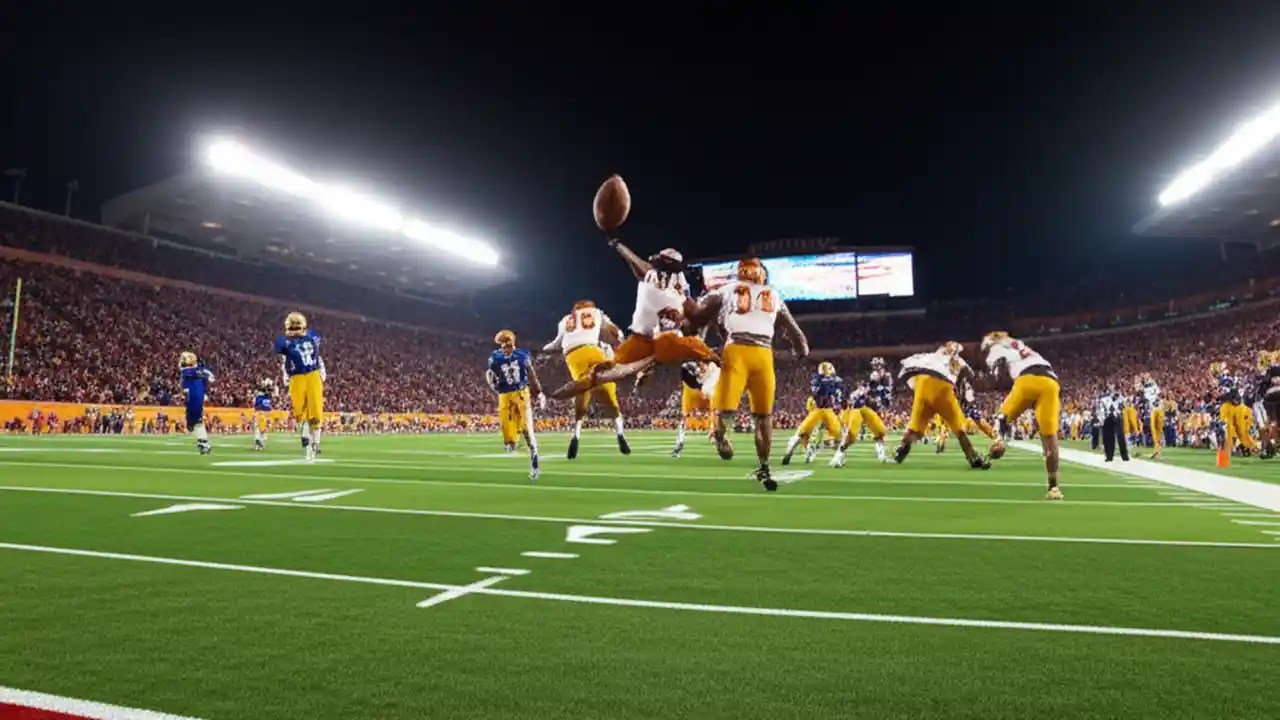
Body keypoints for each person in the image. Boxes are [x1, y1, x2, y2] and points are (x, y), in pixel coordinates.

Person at [690, 257, 809, 491]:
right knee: (732, 411)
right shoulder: (733, 291)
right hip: (742, 351)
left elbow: (793, 328)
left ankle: (762, 465)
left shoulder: (761, 294)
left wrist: (699, 341)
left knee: (761, 415)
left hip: (758, 353)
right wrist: (801, 348)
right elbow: (796, 334)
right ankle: (723, 438)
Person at [549, 241, 720, 398]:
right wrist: (619, 246)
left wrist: (695, 314)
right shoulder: (652, 275)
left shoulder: (678, 284)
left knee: (682, 345)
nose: (658, 270)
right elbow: (638, 265)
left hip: (666, 335)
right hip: (642, 336)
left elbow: (691, 309)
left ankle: (712, 364)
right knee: (613, 367)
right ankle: (585, 383)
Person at [543, 300, 629, 459]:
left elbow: (556, 342)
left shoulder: (565, 319)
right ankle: (620, 434)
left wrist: (546, 348)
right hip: (594, 350)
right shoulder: (597, 312)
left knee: (582, 391)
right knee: (609, 392)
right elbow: (615, 331)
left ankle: (576, 435)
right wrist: (622, 341)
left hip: (574, 354)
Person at [982, 332, 1063, 500]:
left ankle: (999, 442)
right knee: (1049, 437)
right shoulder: (1020, 344)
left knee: (1001, 418)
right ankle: (1054, 487)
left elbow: (995, 372)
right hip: (1050, 382)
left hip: (1026, 380)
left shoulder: (996, 346)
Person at [893, 341, 990, 470]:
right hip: (943, 390)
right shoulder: (958, 361)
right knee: (959, 431)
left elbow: (907, 369)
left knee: (914, 428)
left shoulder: (927, 356)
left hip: (922, 387)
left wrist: (914, 387)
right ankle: (972, 457)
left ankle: (902, 450)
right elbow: (966, 377)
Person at [487, 330, 543, 480]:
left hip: (521, 392)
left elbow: (532, 375)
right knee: (506, 426)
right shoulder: (495, 358)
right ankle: (512, 441)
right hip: (504, 394)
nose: (505, 348)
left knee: (527, 428)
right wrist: (492, 385)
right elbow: (489, 374)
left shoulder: (522, 356)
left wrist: (538, 391)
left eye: (507, 344)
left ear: (512, 343)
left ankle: (534, 458)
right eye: (503, 345)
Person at [274, 312, 325, 461]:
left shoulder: (311, 336)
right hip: (296, 376)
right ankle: (306, 435)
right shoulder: (284, 342)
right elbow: (283, 357)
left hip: (312, 373)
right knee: (299, 409)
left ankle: (315, 442)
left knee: (315, 411)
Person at [782, 362, 843, 465]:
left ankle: (795, 451)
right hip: (820, 410)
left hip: (826, 411)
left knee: (836, 435)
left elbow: (837, 392)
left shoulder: (826, 380)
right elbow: (818, 392)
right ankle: (791, 452)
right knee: (803, 433)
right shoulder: (818, 380)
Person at [830, 380, 889, 467]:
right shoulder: (858, 393)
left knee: (880, 430)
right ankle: (838, 457)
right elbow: (852, 401)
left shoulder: (877, 391)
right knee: (851, 437)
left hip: (866, 410)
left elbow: (880, 402)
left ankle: (881, 454)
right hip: (856, 410)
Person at [674, 359, 719, 458]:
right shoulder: (692, 368)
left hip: (702, 389)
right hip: (695, 390)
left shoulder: (711, 370)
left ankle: (715, 436)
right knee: (685, 417)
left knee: (715, 413)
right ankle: (680, 442)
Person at [178, 351, 214, 455]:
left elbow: (186, 375)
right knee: (198, 422)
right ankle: (203, 443)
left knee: (194, 423)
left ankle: (203, 443)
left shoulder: (187, 371)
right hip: (197, 397)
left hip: (194, 398)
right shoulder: (198, 370)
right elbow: (211, 378)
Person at [1098, 385, 1130, 462]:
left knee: (1120, 436)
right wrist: (1102, 419)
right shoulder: (1104, 399)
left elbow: (1123, 407)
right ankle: (1109, 455)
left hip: (1117, 417)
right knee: (1108, 437)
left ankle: (1124, 455)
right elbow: (1102, 409)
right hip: (1108, 418)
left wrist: (1119, 413)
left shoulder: (1121, 398)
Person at [252, 378, 274, 451]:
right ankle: (259, 442)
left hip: (260, 412)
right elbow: (267, 390)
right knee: (262, 429)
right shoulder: (264, 397)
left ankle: (258, 441)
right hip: (263, 413)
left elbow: (266, 390)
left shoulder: (260, 396)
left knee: (258, 428)